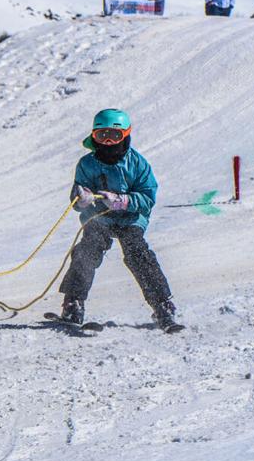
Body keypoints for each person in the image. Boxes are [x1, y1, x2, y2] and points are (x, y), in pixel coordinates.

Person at [57, 109, 180, 332]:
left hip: (130, 219)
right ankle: (73, 302)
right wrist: (82, 199)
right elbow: (77, 198)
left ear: (125, 135)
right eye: (101, 136)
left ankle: (162, 304)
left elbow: (148, 198)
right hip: (99, 218)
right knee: (88, 248)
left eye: (113, 136)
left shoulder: (137, 164)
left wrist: (125, 201)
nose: (107, 142)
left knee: (137, 252)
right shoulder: (87, 164)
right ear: (93, 136)